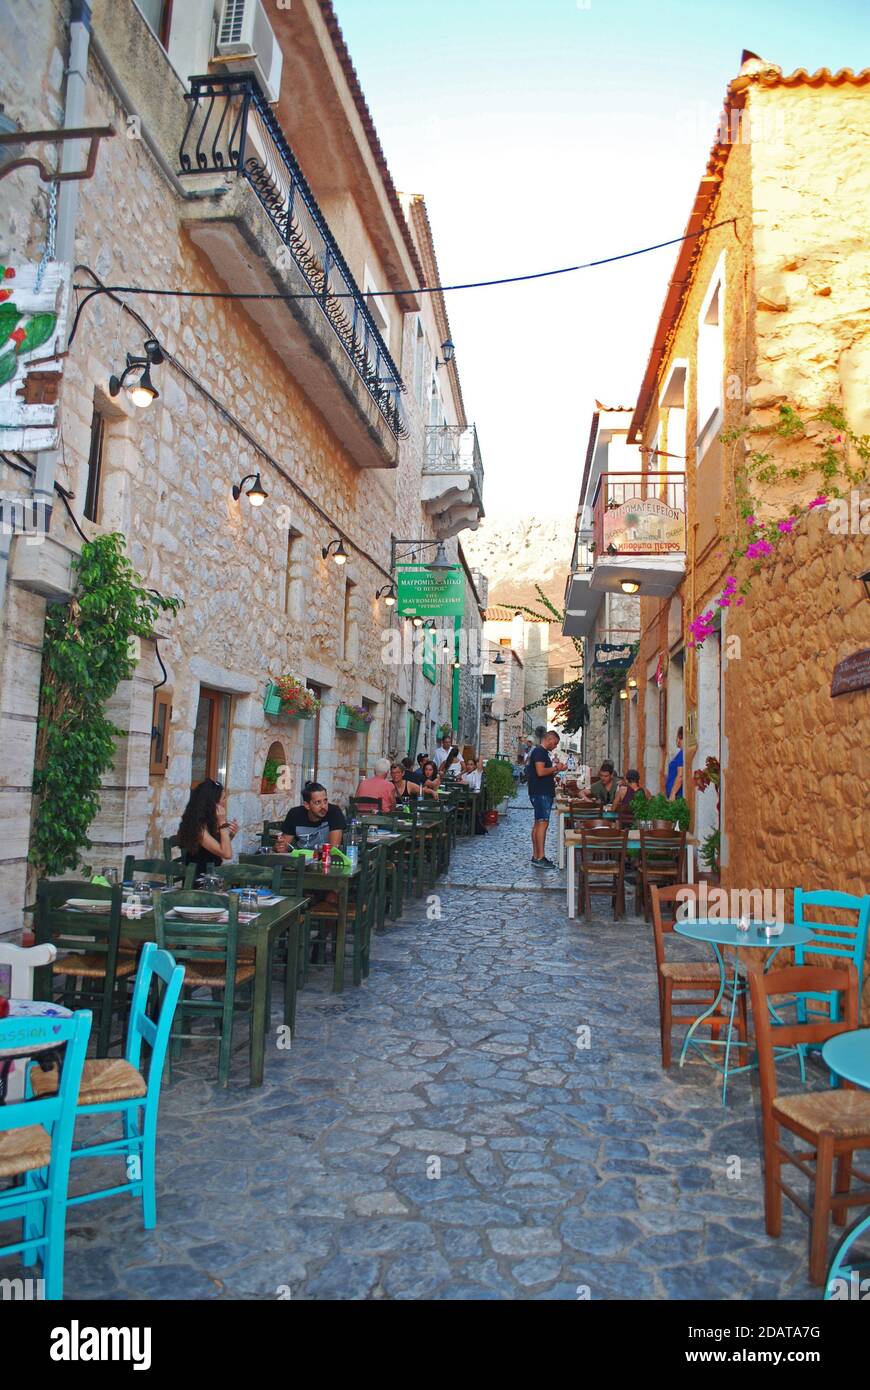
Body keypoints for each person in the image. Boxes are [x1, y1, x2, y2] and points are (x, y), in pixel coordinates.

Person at [176, 779, 238, 876]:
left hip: (212, 874)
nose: (225, 802)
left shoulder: (209, 821)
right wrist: (222, 823)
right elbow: (227, 854)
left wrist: (230, 835)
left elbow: (216, 848)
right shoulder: (198, 828)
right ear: (213, 803)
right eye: (224, 798)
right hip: (200, 881)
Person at [276, 782, 346, 852]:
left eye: (325, 801)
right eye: (318, 802)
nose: (323, 806)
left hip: (324, 859)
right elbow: (283, 846)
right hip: (300, 859)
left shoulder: (334, 812)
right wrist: (280, 847)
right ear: (307, 805)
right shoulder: (295, 814)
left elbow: (334, 850)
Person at [527, 729, 560, 867]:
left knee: (538, 823)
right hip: (541, 793)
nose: (556, 746)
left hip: (538, 791)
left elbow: (542, 772)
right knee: (542, 824)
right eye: (555, 743)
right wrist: (555, 768)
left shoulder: (540, 752)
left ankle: (536, 856)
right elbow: (540, 772)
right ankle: (540, 857)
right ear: (550, 739)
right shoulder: (540, 752)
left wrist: (556, 769)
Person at [666, 726, 684, 801]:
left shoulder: (682, 754)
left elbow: (680, 775)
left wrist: (673, 793)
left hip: (676, 796)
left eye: (677, 737)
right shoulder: (680, 754)